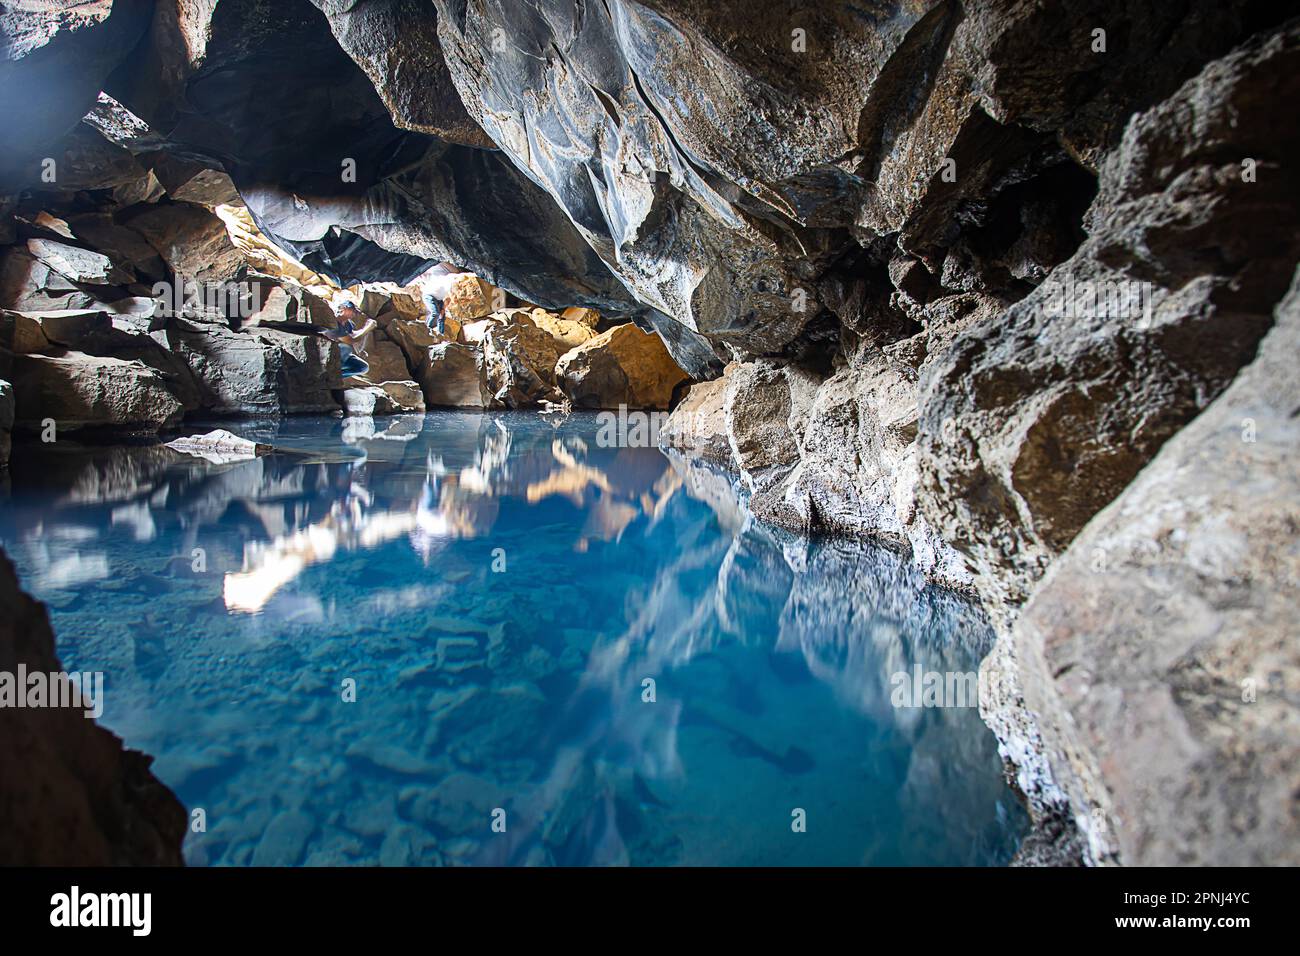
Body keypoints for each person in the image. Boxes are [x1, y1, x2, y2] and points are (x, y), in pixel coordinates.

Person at [329, 300, 376, 378]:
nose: (354, 313)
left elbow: (354, 335)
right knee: (344, 348)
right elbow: (350, 340)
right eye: (352, 309)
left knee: (363, 367)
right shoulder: (334, 323)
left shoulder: (349, 324)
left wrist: (366, 329)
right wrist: (367, 328)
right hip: (331, 356)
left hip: (342, 357)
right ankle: (329, 376)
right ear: (343, 308)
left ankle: (335, 377)